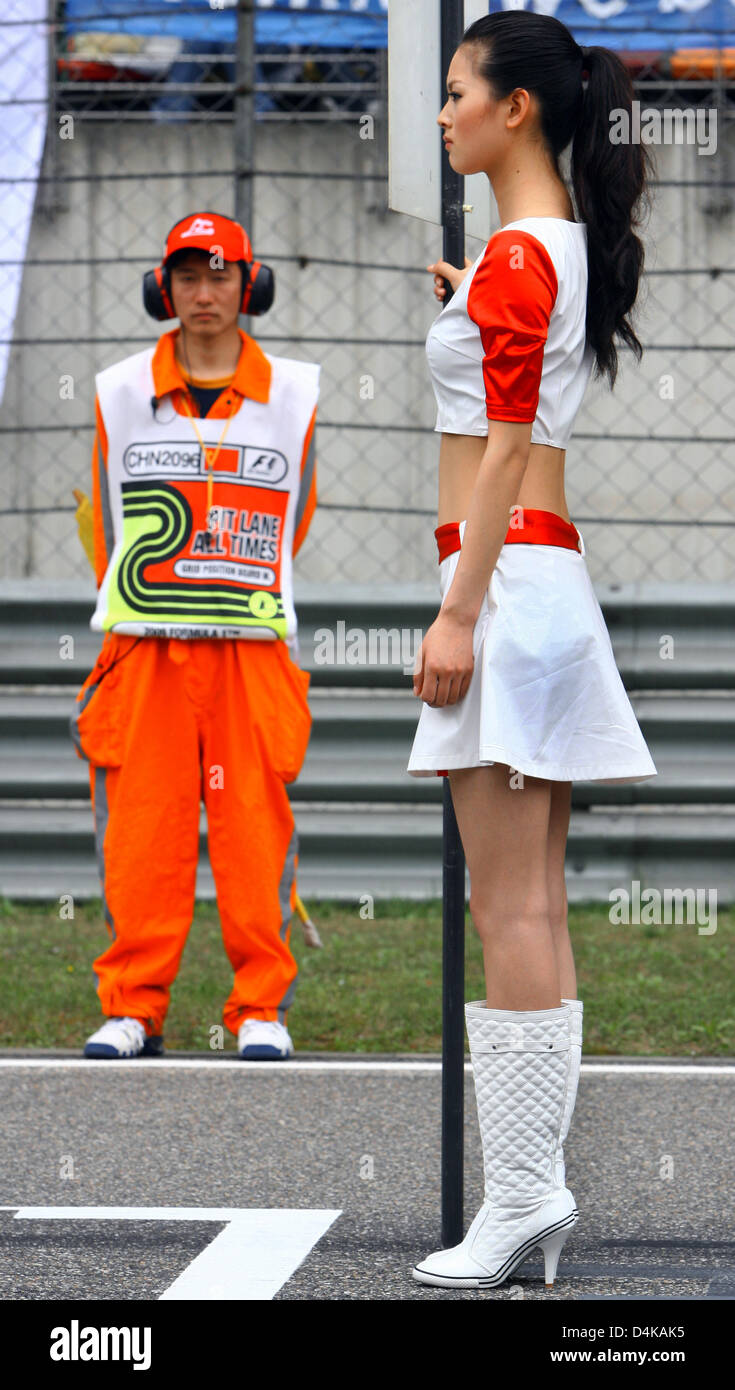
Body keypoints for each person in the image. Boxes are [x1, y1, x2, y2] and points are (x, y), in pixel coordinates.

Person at [407, 11, 657, 1289]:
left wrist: (457, 609)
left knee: (507, 901)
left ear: (515, 109)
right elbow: (515, 383)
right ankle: (531, 1196)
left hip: (503, 586)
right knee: (535, 902)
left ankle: (518, 1197)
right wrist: (474, 307)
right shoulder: (539, 250)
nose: (440, 113)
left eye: (456, 94)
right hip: (541, 580)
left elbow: (504, 447)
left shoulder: (520, 256)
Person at [71, 211, 320, 1061]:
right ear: (161, 288)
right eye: (186, 277)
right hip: (145, 651)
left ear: (250, 285)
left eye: (219, 275)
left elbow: (296, 521)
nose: (203, 293)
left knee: (255, 829)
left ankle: (260, 1011)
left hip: (249, 652)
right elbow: (108, 523)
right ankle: (133, 1008)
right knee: (143, 831)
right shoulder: (116, 390)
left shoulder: (293, 393)